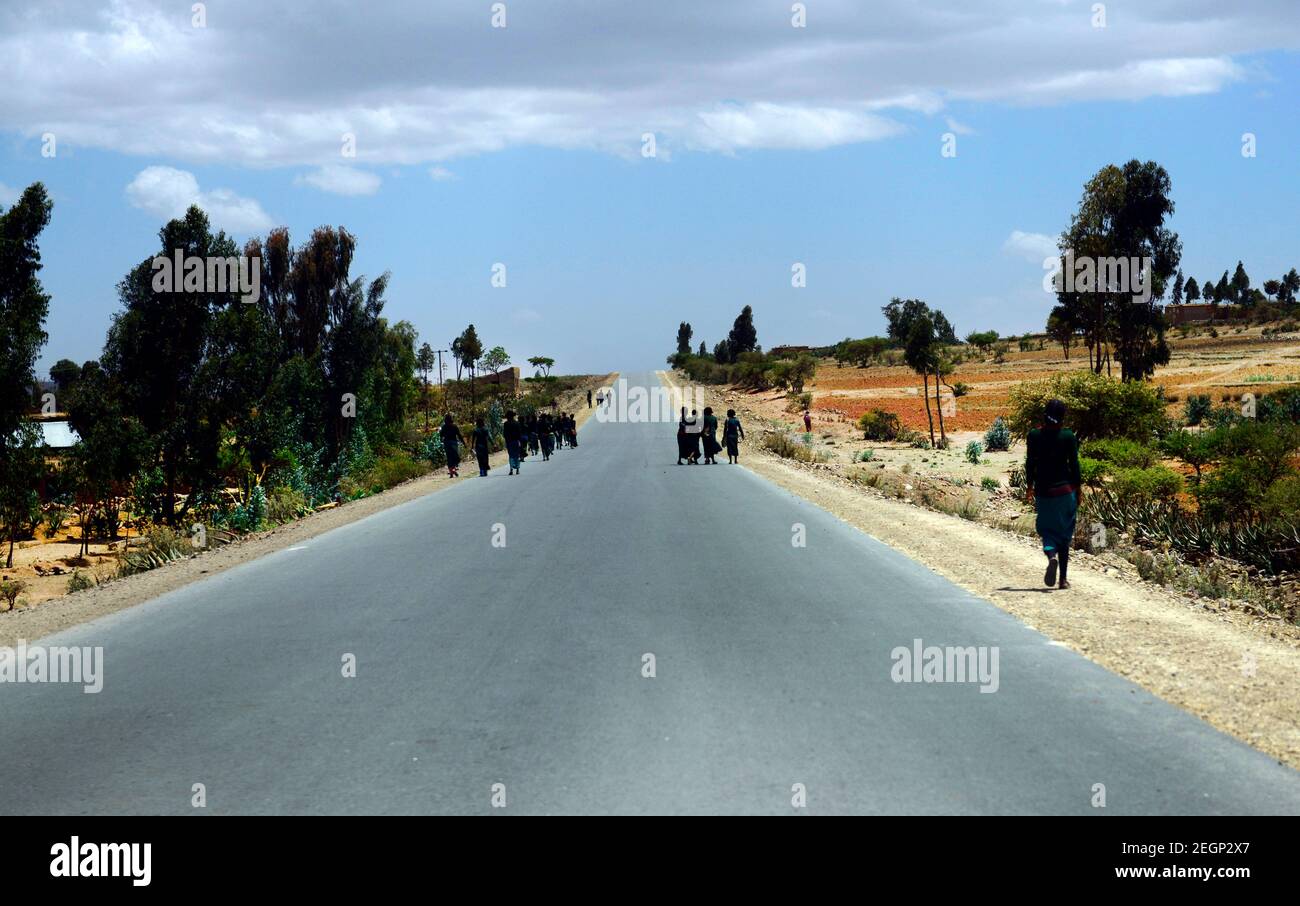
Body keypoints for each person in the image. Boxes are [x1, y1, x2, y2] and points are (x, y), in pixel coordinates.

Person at [1024, 398, 1081, 589]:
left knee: (1047, 530)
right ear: (1063, 416)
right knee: (1064, 534)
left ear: (1044, 414)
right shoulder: (1068, 436)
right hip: (1066, 492)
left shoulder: (1034, 436)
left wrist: (1029, 487)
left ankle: (1051, 556)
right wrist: (1079, 490)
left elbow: (1030, 464)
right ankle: (1063, 580)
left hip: (1044, 492)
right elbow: (1074, 466)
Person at [503, 409, 523, 475]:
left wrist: (506, 441)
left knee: (511, 455)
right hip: (516, 441)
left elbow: (504, 434)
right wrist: (520, 441)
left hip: (509, 442)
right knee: (517, 455)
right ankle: (517, 469)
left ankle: (511, 469)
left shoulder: (506, 424)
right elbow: (519, 433)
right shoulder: (517, 423)